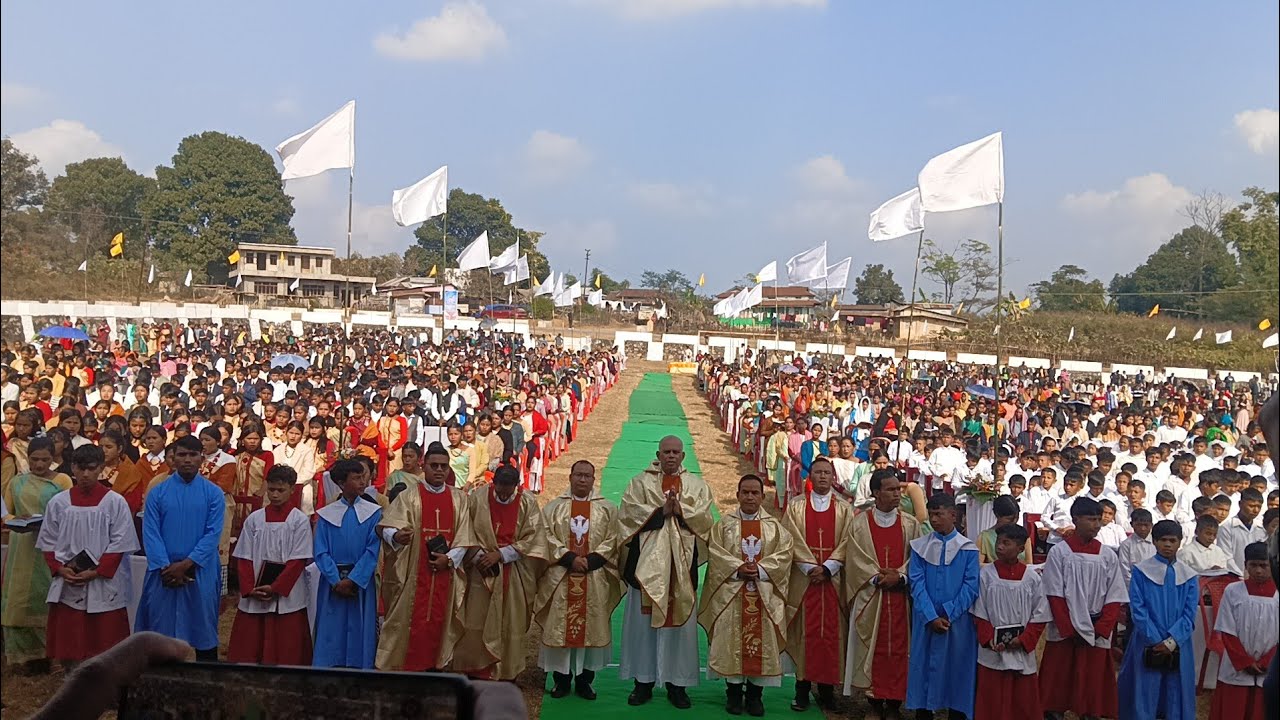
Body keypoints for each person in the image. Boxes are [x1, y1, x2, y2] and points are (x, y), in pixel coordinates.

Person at [617, 435, 716, 708]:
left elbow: (706, 520)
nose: (671, 456)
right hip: (646, 568)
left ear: (683, 456)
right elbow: (627, 514)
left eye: (676, 452)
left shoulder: (696, 486)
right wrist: (660, 511)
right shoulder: (640, 483)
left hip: (681, 568)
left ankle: (678, 684)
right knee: (643, 627)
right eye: (666, 452)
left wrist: (682, 511)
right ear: (658, 454)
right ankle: (643, 682)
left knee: (679, 629)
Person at [699, 474, 793, 717]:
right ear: (738, 494)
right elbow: (716, 553)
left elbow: (784, 555)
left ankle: (754, 696)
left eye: (755, 493)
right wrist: (737, 567)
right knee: (731, 642)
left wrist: (761, 569)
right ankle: (732, 694)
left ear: (763, 496)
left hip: (762, 594)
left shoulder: (774, 527)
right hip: (732, 593)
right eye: (745, 492)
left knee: (761, 645)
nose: (750, 497)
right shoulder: (724, 525)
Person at [36, 443, 138, 665]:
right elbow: (49, 540)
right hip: (68, 579)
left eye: (91, 468)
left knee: (106, 644)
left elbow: (120, 542)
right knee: (71, 642)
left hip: (102, 581)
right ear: (72, 467)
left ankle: (108, 687)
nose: (85, 474)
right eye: (80, 468)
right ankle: (72, 678)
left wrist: (98, 571)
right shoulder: (59, 502)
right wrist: (59, 568)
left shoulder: (115, 502)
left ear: (101, 467)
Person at [376, 442, 472, 672]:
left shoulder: (459, 499)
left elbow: (465, 537)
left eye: (444, 466)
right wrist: (396, 536)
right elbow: (385, 526)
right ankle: (405, 665)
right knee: (410, 619)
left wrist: (448, 560)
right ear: (424, 466)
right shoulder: (409, 496)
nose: (439, 470)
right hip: (413, 573)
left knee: (440, 620)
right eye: (434, 465)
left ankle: (438, 665)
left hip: (445, 575)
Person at [533, 459, 623, 701]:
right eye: (578, 475)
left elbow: (614, 538)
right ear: (570, 477)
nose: (582, 480)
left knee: (591, 629)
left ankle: (585, 681)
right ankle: (561, 680)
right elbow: (545, 535)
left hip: (594, 576)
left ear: (594, 480)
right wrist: (569, 557)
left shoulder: (607, 509)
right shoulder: (554, 508)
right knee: (560, 628)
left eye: (587, 476)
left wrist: (591, 560)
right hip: (562, 576)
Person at [452, 465, 548, 680]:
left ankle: (507, 672)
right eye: (499, 488)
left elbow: (534, 537)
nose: (503, 494)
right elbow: (465, 528)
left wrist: (502, 554)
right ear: (493, 482)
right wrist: (478, 556)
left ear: (517, 485)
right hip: (480, 569)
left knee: (509, 622)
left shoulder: (527, 502)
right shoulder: (478, 497)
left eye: (508, 489)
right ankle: (476, 667)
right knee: (476, 619)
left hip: (513, 571)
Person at [134, 434, 225, 661]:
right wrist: (167, 567)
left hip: (200, 570)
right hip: (163, 573)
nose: (187, 460)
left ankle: (206, 685)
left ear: (201, 458)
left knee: (203, 627)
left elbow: (212, 534)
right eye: (182, 455)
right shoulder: (158, 492)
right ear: (173, 458)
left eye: (193, 455)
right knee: (160, 630)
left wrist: (186, 564)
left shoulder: (213, 493)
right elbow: (151, 533)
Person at [1039, 496, 1128, 720]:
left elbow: (1114, 594)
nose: (1096, 525)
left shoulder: (1107, 555)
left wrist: (1103, 626)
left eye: (1099, 519)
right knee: (1060, 673)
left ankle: (1090, 711)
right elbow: (1054, 593)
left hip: (1097, 624)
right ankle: (1055, 710)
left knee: (1093, 675)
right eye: (1091, 519)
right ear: (1076, 519)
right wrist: (1069, 629)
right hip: (1066, 627)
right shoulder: (1060, 553)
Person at [843, 468, 922, 718]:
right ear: (876, 493)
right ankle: (874, 701)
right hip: (871, 595)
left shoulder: (910, 524)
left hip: (900, 598)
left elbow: (917, 560)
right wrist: (877, 576)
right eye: (890, 489)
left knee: (899, 648)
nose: (897, 494)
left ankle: (894, 703)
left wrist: (900, 576)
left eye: (898, 489)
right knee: (873, 648)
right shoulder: (859, 523)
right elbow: (854, 558)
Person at [782, 457, 852, 711]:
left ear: (833, 477)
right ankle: (801, 691)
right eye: (818, 472)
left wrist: (829, 567)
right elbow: (789, 537)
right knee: (805, 635)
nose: (823, 477)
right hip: (805, 581)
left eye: (827, 473)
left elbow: (848, 541)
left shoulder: (844, 509)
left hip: (832, 582)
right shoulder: (796, 506)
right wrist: (810, 567)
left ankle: (827, 692)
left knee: (831, 637)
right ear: (810, 477)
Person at [226, 465, 312, 665]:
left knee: (286, 646)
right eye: (271, 489)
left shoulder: (299, 520)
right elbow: (244, 556)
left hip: (285, 593)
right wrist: (249, 588)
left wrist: (275, 588)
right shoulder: (254, 519)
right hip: (256, 589)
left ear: (292, 489)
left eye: (280, 490)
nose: (274, 495)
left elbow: (298, 560)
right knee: (250, 647)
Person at [905, 493, 980, 720]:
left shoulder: (968, 549)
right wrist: (930, 616)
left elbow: (971, 586)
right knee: (924, 667)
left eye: (939, 514)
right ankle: (923, 712)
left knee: (957, 668)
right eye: (931, 514)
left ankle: (956, 713)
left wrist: (948, 612)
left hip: (957, 622)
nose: (934, 520)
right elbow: (916, 583)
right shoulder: (920, 547)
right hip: (926, 620)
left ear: (953, 515)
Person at [1117, 519, 1198, 720]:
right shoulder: (1142, 571)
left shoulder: (1189, 575)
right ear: (1154, 541)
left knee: (1175, 690)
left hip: (1178, 642)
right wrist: (1156, 639)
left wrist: (1171, 641)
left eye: (1172, 540)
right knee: (1146, 689)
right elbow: (1138, 609)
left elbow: (1189, 613)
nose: (1168, 545)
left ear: (1180, 542)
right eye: (1163, 540)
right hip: (1147, 640)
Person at [972, 523, 1051, 720]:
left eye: (1006, 543)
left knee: (1022, 702)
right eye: (998, 542)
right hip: (993, 649)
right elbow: (979, 612)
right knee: (992, 700)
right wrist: (989, 639)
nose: (999, 547)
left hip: (1021, 649)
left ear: (1020, 549)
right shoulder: (986, 575)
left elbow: (1040, 615)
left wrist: (1024, 640)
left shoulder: (1032, 578)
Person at [312, 459, 381, 668]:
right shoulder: (326, 516)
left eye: (363, 477)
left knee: (360, 626)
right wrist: (335, 579)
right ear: (342, 483)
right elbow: (321, 551)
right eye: (356, 478)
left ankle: (359, 665)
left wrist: (354, 579)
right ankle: (330, 664)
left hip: (360, 583)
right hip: (333, 582)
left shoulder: (373, 513)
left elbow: (373, 550)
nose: (362, 482)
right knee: (332, 626)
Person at [1211, 541, 1277, 720]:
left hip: (1269, 666)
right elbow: (1226, 629)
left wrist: (1267, 661)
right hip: (1237, 665)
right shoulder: (1233, 591)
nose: (1258, 571)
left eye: (1263, 565)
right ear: (1245, 565)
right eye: (1253, 565)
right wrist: (1245, 661)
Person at [1117, 508, 1156, 587]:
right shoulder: (1126, 545)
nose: (1142, 528)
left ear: (1151, 525)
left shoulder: (1157, 542)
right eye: (1139, 525)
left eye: (1146, 525)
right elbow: (1125, 571)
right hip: (1135, 587)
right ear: (1132, 524)